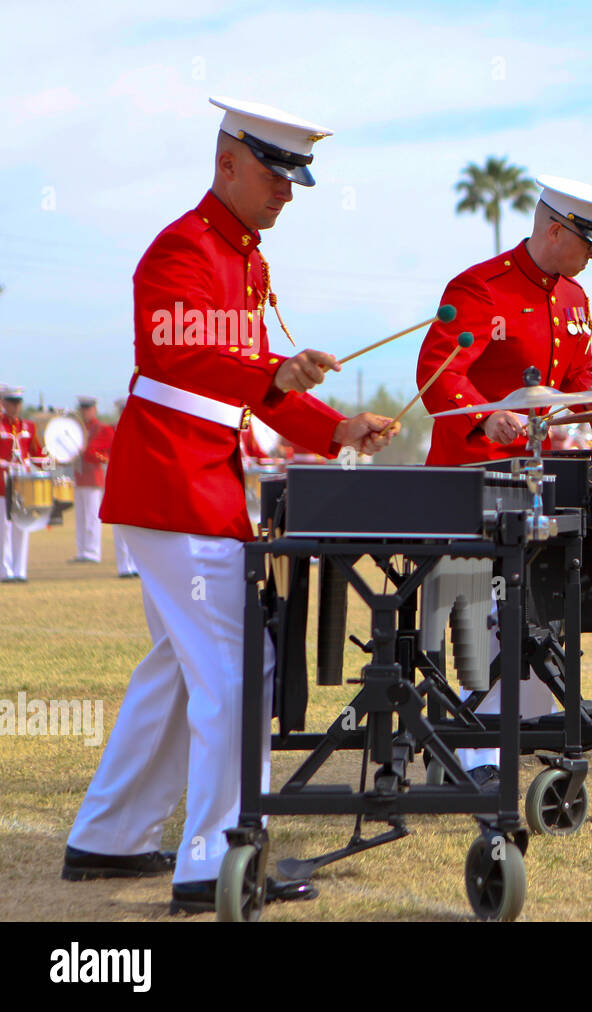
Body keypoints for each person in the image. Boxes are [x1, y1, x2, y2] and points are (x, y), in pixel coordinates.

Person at [64, 97, 398, 915]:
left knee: (178, 673)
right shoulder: (183, 248)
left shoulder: (244, 258)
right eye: (276, 175)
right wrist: (273, 374)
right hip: (176, 484)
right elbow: (184, 357)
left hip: (187, 481)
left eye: (295, 179)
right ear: (227, 164)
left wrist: (340, 429)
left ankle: (107, 838)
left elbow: (254, 380)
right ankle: (220, 862)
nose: (288, 193)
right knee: (238, 668)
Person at [416, 174, 592, 782]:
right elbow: (437, 375)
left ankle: (524, 732)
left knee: (531, 612)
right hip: (469, 472)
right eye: (588, 241)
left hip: (534, 477)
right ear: (556, 230)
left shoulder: (575, 300)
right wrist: (488, 415)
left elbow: (576, 379)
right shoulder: (480, 287)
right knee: (476, 613)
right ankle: (473, 752)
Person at [1, 386, 45, 583]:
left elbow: (37, 454)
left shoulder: (29, 426)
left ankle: (20, 571)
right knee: (4, 529)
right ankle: (5, 571)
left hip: (23, 483)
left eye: (18, 403)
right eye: (12, 402)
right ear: (3, 403)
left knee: (22, 527)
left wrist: (54, 458)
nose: (16, 407)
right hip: (2, 483)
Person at [69, 397, 113, 564]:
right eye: (83, 408)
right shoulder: (78, 429)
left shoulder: (102, 429)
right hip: (79, 476)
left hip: (93, 478)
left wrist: (85, 450)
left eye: (88, 408)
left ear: (94, 409)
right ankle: (82, 551)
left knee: (92, 517)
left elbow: (100, 454)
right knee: (80, 517)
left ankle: (93, 551)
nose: (85, 411)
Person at [108, 398, 138, 577]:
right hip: (118, 481)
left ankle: (134, 564)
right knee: (120, 527)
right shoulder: (112, 430)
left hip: (137, 481)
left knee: (136, 526)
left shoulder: (141, 429)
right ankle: (123, 566)